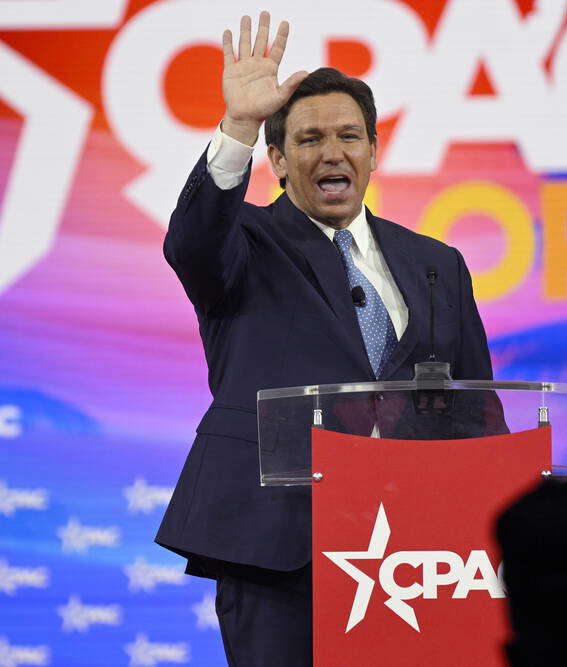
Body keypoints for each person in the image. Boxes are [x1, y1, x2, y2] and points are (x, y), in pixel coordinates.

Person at [154, 12, 494, 666]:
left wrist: (489, 524)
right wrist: (240, 126)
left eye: (348, 135)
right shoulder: (242, 244)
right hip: (280, 550)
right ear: (277, 160)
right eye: (309, 138)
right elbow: (191, 240)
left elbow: (477, 404)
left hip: (417, 553)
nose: (332, 152)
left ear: (372, 150)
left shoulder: (436, 261)